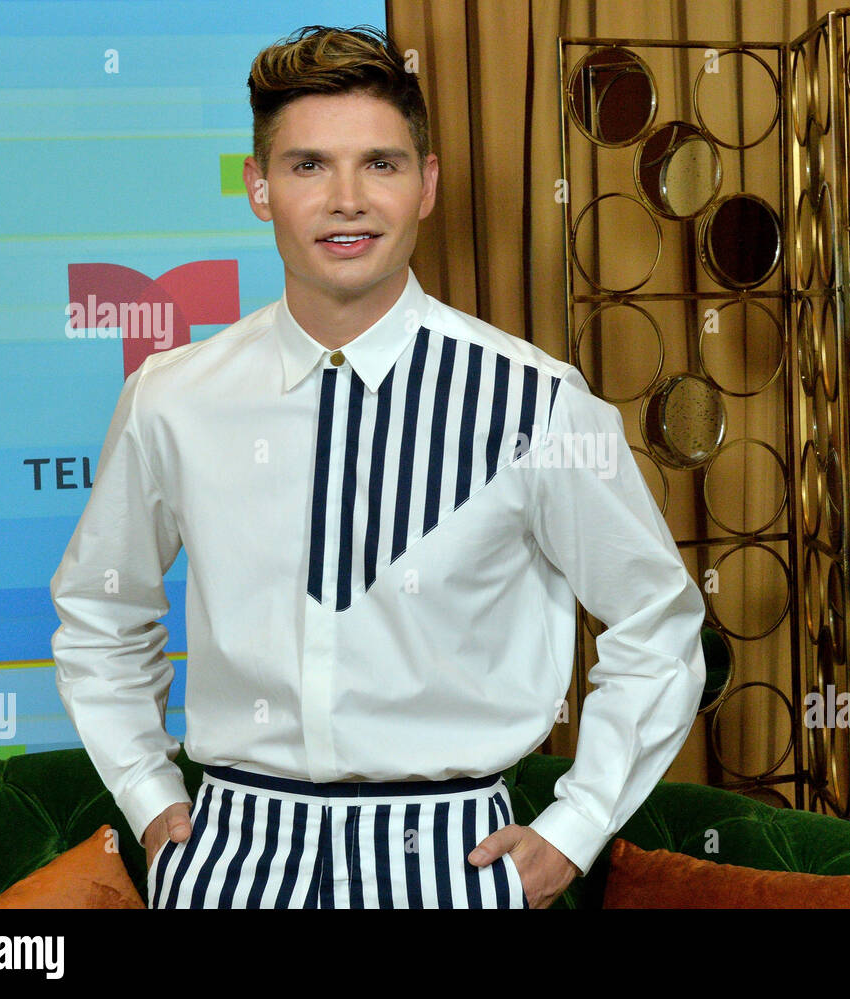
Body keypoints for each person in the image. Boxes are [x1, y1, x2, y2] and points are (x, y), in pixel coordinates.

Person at [49, 23, 706, 909]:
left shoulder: (537, 402)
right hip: (234, 854)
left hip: (452, 859)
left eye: (382, 165)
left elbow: (659, 623)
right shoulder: (172, 396)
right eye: (309, 165)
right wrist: (149, 796)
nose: (347, 199)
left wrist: (573, 830)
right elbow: (101, 608)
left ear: (427, 185)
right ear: (258, 187)